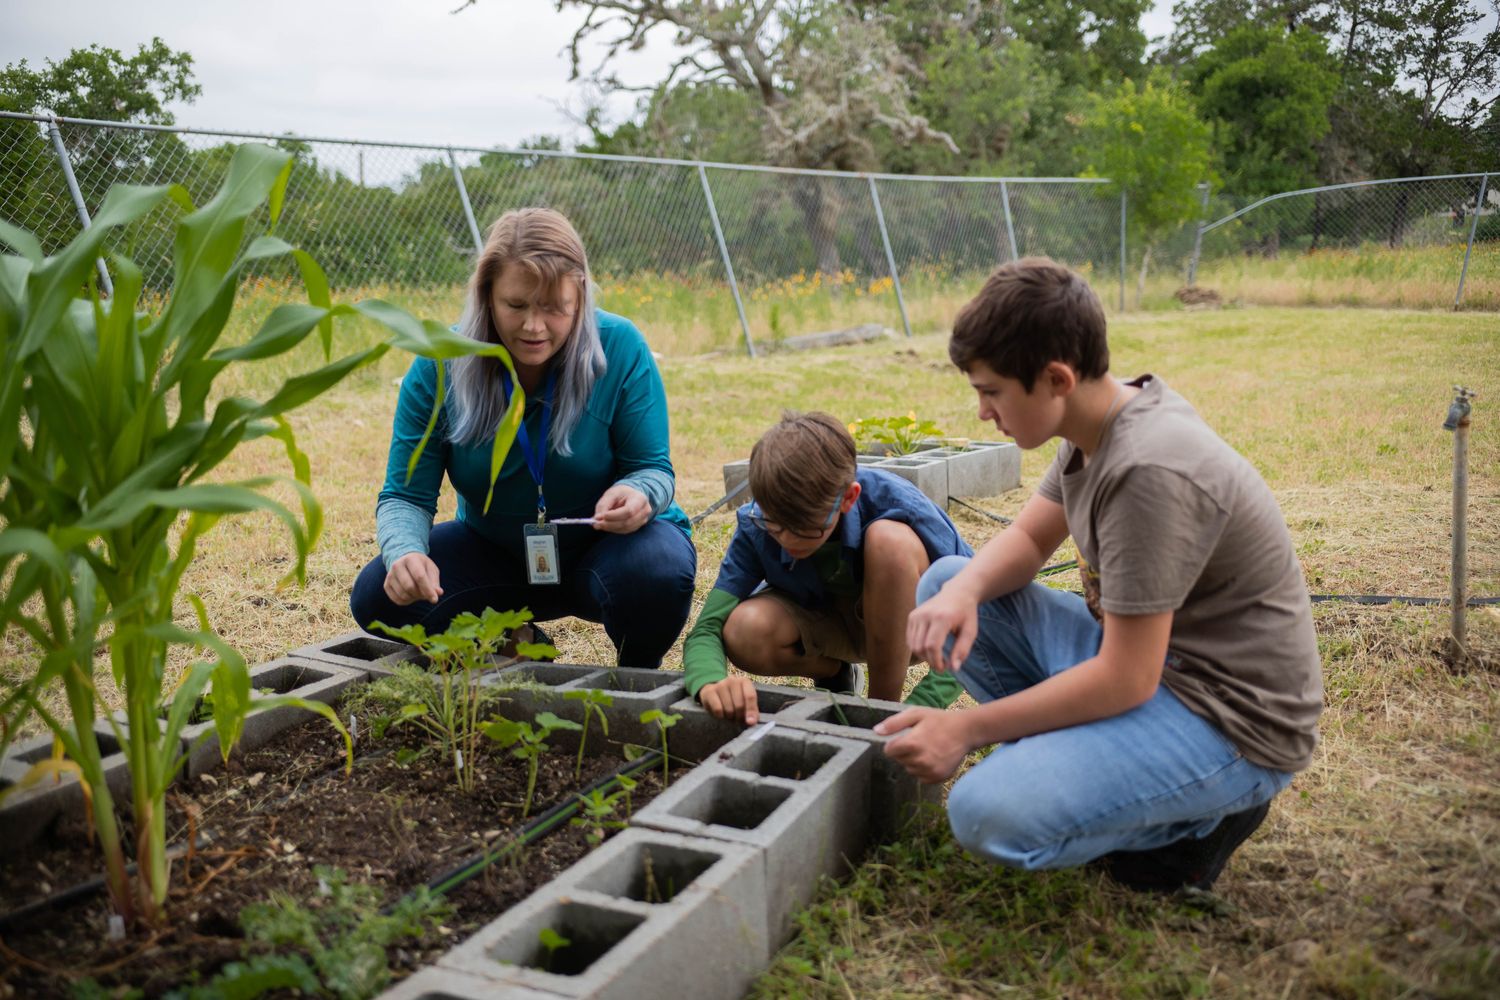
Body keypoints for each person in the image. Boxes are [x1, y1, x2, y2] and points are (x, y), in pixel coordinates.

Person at [876, 257, 1322, 893]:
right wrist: (967, 593)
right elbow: (1030, 537)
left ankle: (1196, 827)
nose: (981, 412)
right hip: (1159, 670)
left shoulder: (1149, 472)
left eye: (992, 391)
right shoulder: (1094, 422)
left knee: (983, 814)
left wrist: (966, 729)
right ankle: (1083, 767)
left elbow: (1126, 677)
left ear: (1056, 378)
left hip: (1229, 719)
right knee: (947, 582)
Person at [349, 207, 696, 667]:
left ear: (581, 296)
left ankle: (637, 680)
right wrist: (405, 552)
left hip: (609, 550)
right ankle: (514, 639)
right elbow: (404, 495)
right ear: (487, 296)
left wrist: (639, 493)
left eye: (554, 307)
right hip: (495, 554)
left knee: (658, 571)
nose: (535, 326)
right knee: (378, 596)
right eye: (516, 305)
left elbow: (653, 468)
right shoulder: (439, 364)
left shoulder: (620, 346)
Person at [683, 411, 971, 724]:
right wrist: (709, 681)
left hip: (908, 630)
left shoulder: (899, 503)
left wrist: (923, 706)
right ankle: (836, 675)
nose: (788, 539)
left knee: (890, 543)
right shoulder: (758, 522)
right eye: (776, 526)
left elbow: (982, 614)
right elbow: (708, 627)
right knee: (744, 629)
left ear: (848, 497)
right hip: (831, 627)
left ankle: (881, 712)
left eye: (806, 528)